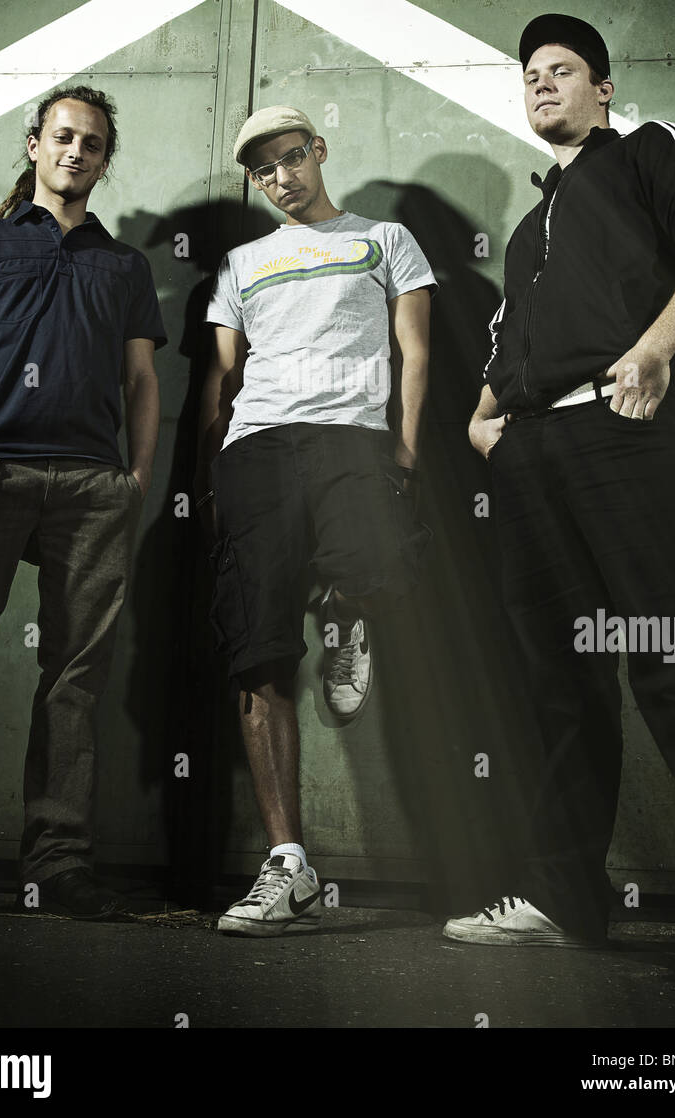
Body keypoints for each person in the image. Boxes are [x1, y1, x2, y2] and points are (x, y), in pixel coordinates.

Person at [445, 14, 675, 985]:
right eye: (530, 74)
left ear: (604, 88)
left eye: (562, 70)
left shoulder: (651, 151)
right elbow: (510, 342)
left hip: (625, 437)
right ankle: (562, 898)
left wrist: (654, 349)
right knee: (560, 681)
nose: (541, 84)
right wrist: (479, 419)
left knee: (674, 665)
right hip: (533, 457)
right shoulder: (529, 229)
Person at [0, 86, 166, 923]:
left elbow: (142, 383)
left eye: (91, 142)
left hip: (90, 488)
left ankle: (57, 863)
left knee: (75, 677)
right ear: (34, 145)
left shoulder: (123, 264)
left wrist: (133, 481)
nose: (76, 151)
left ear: (104, 159)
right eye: (62, 137)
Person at [195, 105, 436, 936]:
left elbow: (417, 348)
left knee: (379, 570)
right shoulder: (242, 262)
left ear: (319, 149)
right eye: (263, 172)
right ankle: (289, 865)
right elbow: (221, 377)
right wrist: (212, 472)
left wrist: (403, 449)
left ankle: (344, 613)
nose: (281, 179)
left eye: (291, 159)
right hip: (258, 448)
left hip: (352, 441)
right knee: (256, 647)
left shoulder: (386, 240)